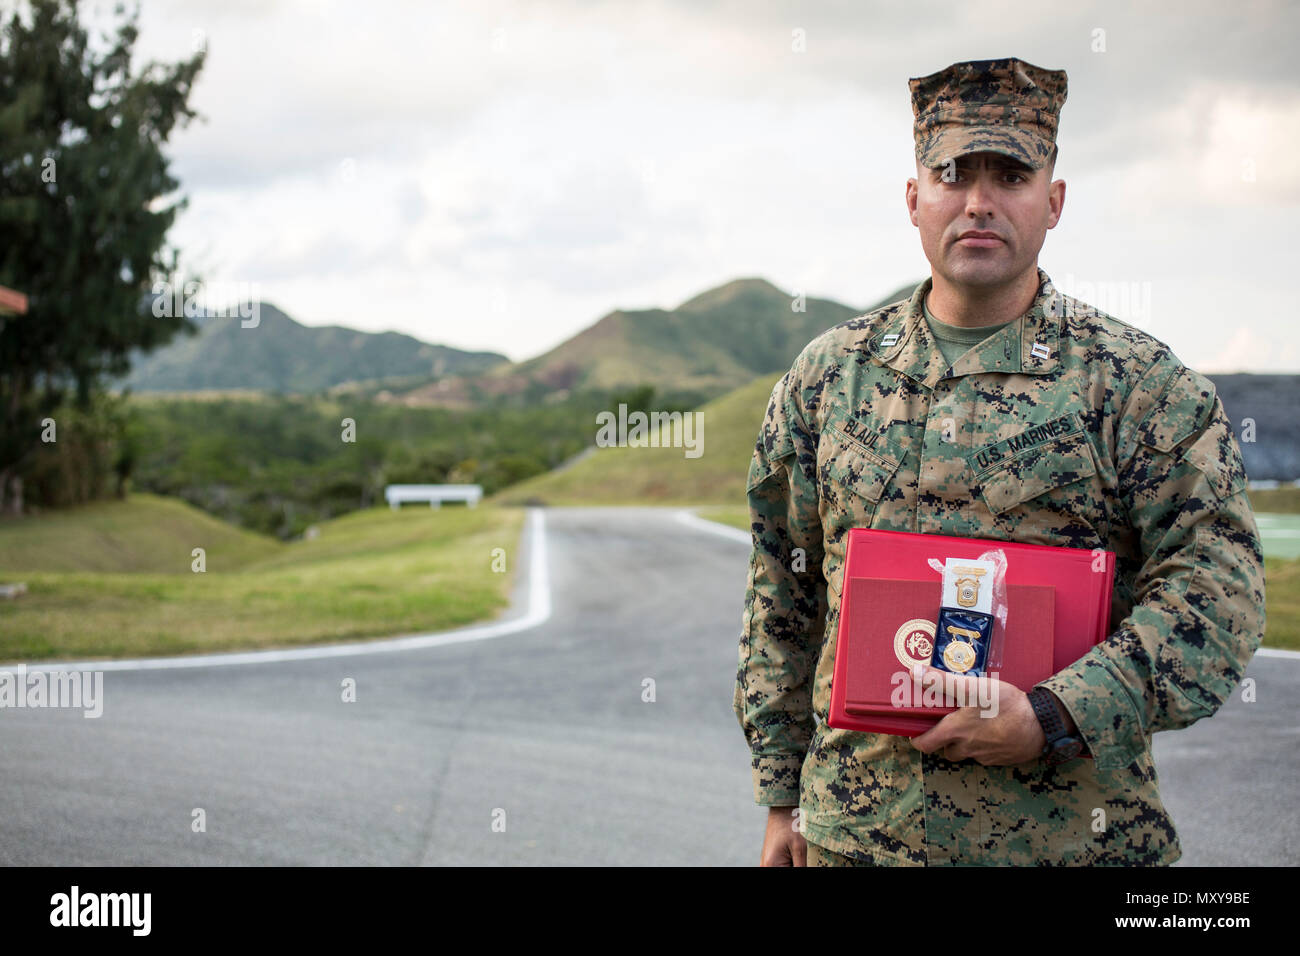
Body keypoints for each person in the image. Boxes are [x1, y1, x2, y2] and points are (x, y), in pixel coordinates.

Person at [733, 57, 1266, 866]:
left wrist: (1055, 713)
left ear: (1052, 202)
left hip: (1070, 847)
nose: (978, 200)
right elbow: (784, 593)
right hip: (859, 842)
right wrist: (782, 799)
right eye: (952, 172)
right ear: (915, 198)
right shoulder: (827, 380)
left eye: (1011, 174)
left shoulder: (1137, 387)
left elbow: (1217, 592)